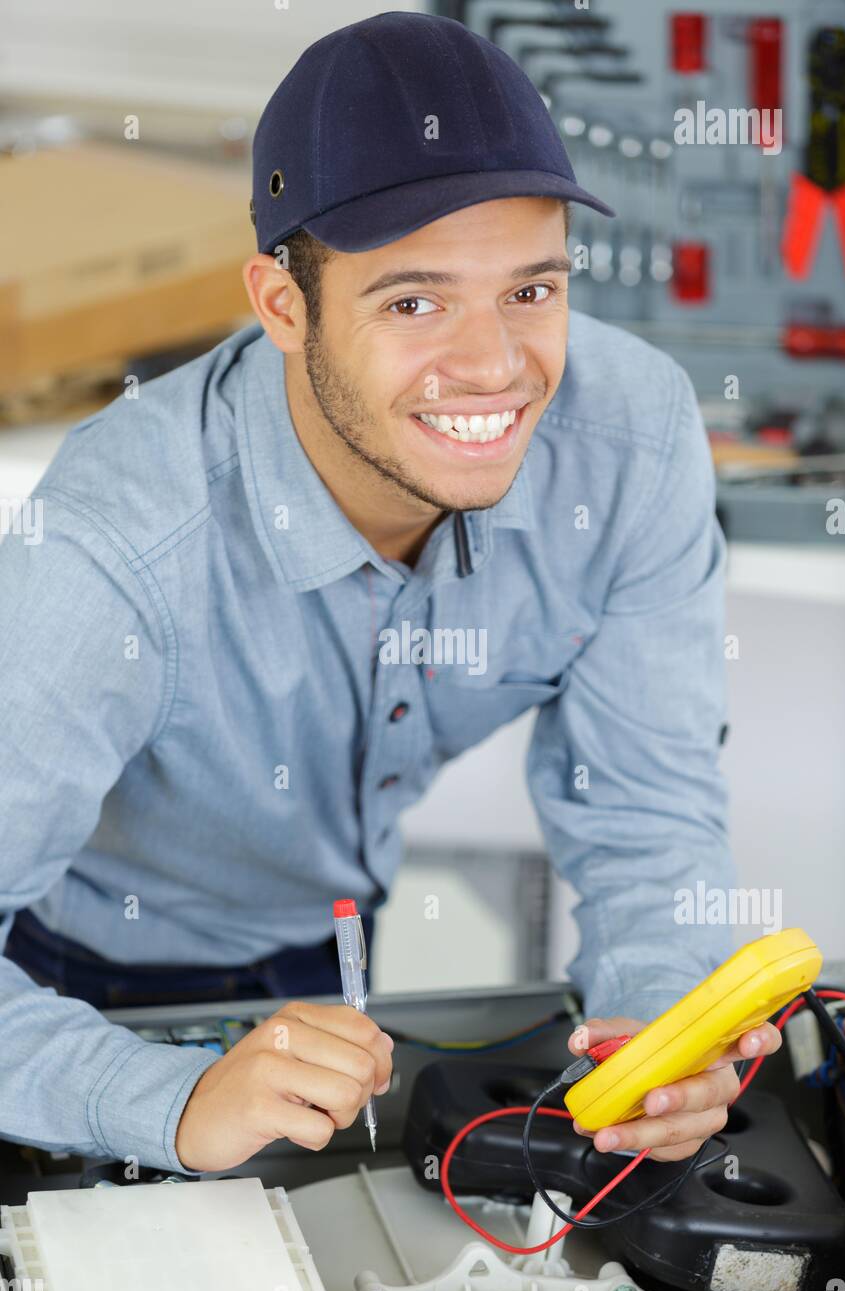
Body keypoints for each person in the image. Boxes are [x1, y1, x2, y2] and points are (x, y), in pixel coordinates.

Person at [0, 11, 778, 1177]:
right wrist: (162, 1097)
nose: (493, 365)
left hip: (329, 975)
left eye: (530, 289)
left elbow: (643, 816)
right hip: (74, 992)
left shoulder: (632, 441)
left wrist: (660, 1026)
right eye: (413, 301)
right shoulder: (117, 543)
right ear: (280, 305)